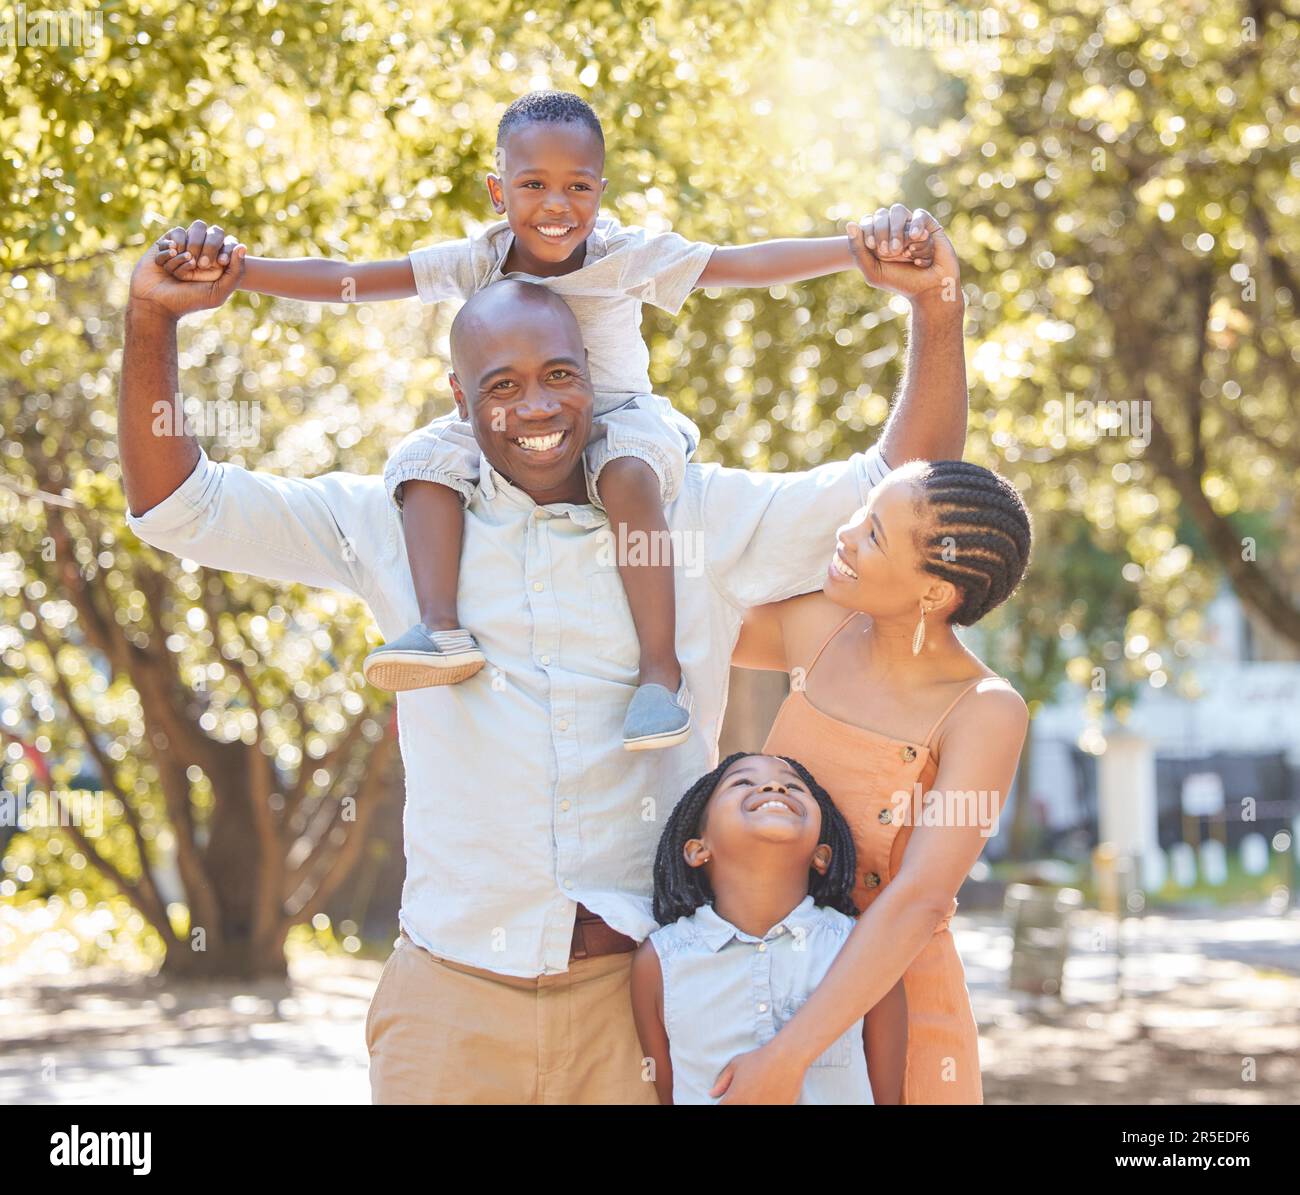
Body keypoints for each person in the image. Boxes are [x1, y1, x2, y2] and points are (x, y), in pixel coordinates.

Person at [119, 206, 968, 1104]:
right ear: (458, 396)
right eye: (502, 385)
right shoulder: (396, 519)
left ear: (593, 376)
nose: (538, 407)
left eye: (561, 375)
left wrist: (935, 308)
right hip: (449, 1002)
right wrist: (152, 317)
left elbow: (900, 489)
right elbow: (180, 507)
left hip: (640, 1000)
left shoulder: (694, 515)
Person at [157, 90, 932, 752]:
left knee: (628, 478)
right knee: (422, 462)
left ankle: (660, 673)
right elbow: (356, 279)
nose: (557, 207)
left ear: (601, 190)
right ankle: (440, 627)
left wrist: (856, 253)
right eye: (533, 185)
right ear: (499, 193)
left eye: (578, 188)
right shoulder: (477, 258)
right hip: (513, 418)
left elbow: (743, 264)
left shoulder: (627, 256)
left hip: (621, 417)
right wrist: (243, 275)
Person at [719, 458, 1032, 1102]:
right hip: (759, 985)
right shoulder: (814, 627)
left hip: (899, 1017)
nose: (846, 532)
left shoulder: (985, 711)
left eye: (874, 535)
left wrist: (790, 1055)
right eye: (864, 514)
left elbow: (918, 899)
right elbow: (684, 629)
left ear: (934, 595)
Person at [632, 752, 908, 1105]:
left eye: (794, 787)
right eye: (742, 782)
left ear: (821, 855)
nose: (774, 786)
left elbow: (887, 1096)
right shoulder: (659, 963)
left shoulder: (863, 948)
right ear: (698, 849)